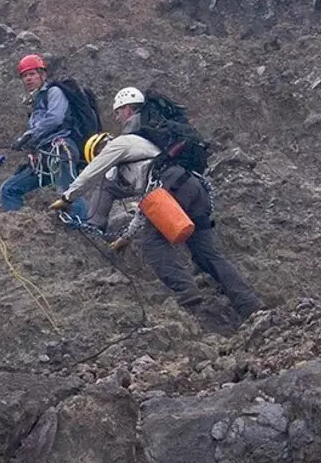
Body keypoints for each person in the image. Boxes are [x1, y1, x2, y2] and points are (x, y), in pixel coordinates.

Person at [52, 87, 263, 321]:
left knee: (153, 244)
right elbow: (148, 207)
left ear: (128, 108)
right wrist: (126, 236)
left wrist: (68, 197)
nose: (116, 117)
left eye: (118, 112)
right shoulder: (153, 146)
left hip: (171, 187)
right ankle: (250, 305)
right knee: (207, 255)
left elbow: (94, 171)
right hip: (193, 187)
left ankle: (187, 293)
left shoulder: (122, 143)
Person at [0, 54, 85, 217]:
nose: (28, 79)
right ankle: (17, 231)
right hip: (44, 155)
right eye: (25, 76)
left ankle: (80, 229)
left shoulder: (54, 92)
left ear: (42, 74)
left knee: (70, 192)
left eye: (32, 74)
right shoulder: (35, 102)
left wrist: (28, 135)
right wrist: (27, 142)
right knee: (9, 189)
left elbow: (55, 118)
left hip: (60, 149)